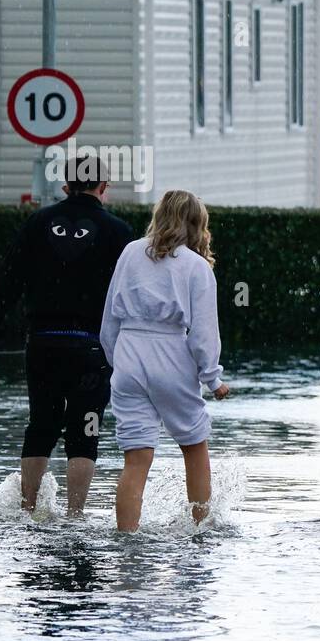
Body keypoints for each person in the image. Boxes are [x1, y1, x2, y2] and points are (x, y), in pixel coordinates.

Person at [0, 154, 134, 516]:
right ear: (103, 188)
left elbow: (7, 282)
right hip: (93, 347)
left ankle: (29, 511)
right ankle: (75, 516)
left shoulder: (38, 223)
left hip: (43, 342)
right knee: (85, 430)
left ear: (65, 186)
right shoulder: (119, 232)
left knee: (41, 424)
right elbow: (130, 295)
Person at [100, 191, 230, 533]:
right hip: (170, 351)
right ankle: (201, 529)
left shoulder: (130, 252)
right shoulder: (196, 266)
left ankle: (127, 537)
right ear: (196, 225)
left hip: (128, 353)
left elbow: (109, 319)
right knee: (193, 445)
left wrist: (119, 363)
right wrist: (212, 379)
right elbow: (203, 333)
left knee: (136, 458)